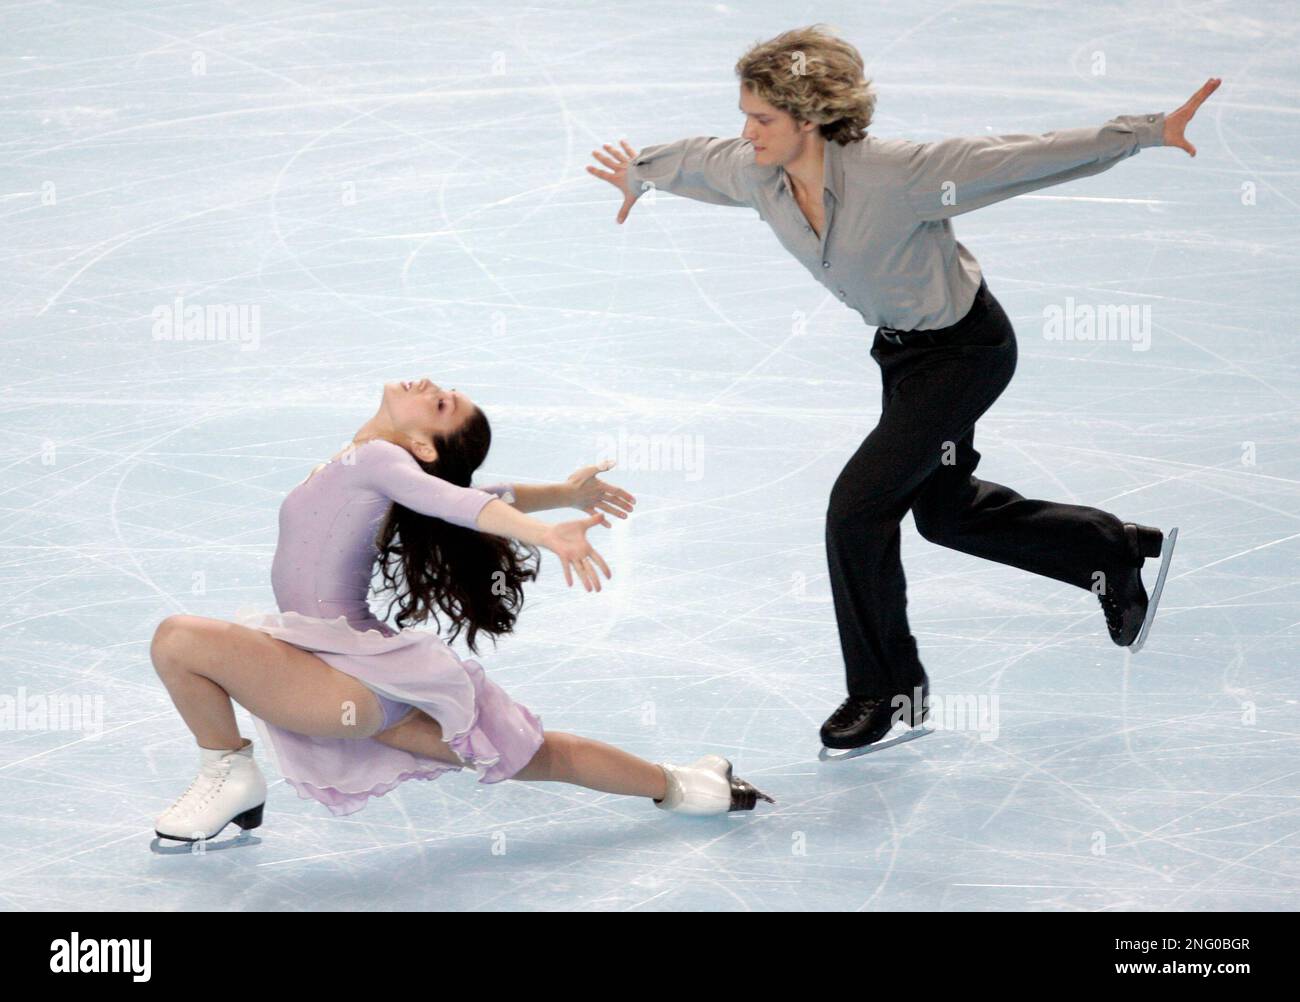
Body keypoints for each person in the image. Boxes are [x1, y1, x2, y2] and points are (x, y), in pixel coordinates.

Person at [587, 24, 1214, 756]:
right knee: (944, 514)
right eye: (746, 115)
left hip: (967, 352)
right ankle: (1107, 549)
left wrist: (1146, 132)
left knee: (858, 509)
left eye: (761, 118)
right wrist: (641, 173)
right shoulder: (760, 173)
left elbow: (1025, 157)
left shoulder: (902, 174)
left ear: (810, 117)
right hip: (903, 359)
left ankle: (888, 693)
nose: (746, 131)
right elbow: (699, 162)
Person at [151, 377, 773, 843]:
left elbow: (458, 504)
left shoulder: (377, 461)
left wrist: (548, 533)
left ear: (421, 444)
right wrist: (564, 494)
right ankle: (689, 785)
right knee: (532, 754)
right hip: (343, 676)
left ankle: (229, 774)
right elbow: (473, 493)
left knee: (180, 639)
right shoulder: (376, 465)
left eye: (442, 405)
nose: (435, 388)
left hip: (344, 679)